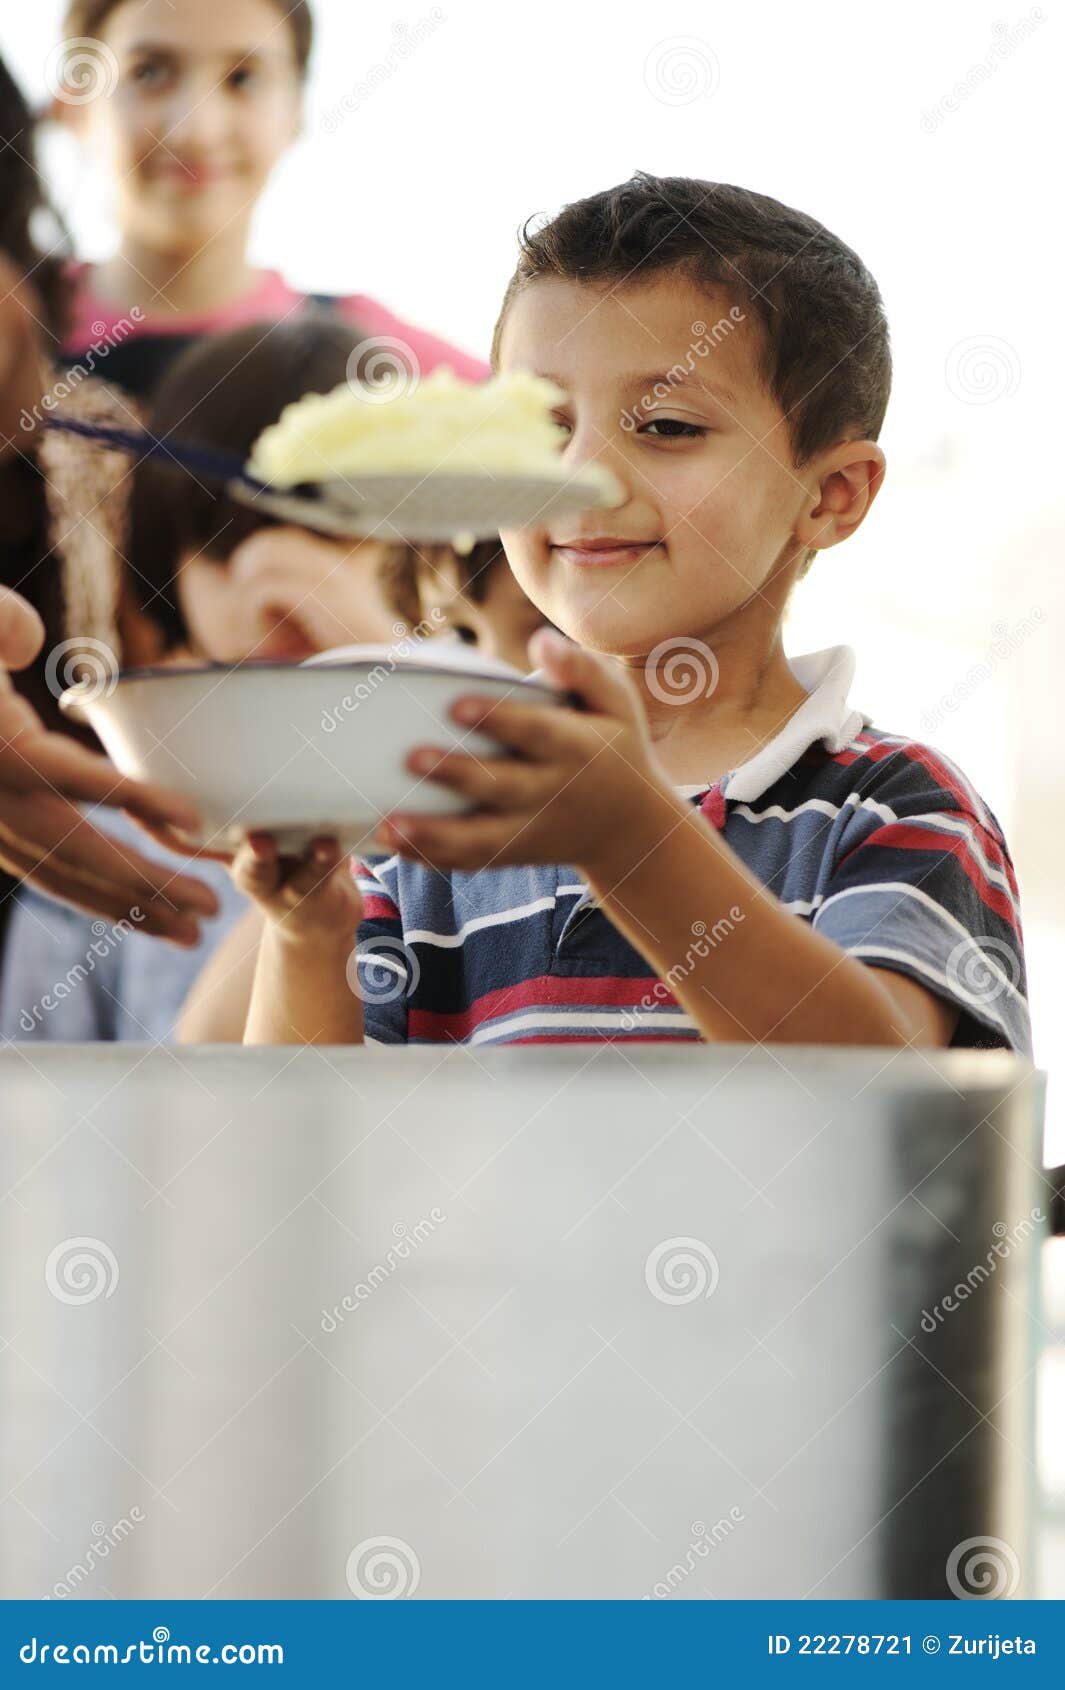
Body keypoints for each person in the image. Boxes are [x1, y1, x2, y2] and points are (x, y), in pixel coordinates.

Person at [187, 173, 1031, 1054]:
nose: (584, 475)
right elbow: (307, 1163)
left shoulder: (898, 808)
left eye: (664, 426)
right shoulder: (434, 825)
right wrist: (307, 935)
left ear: (829, 494)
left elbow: (887, 1108)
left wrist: (631, 840)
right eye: (542, 426)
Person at [0, 316, 414, 1042]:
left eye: (334, 534)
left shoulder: (475, 822)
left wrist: (388, 661)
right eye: (225, 545)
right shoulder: (100, 848)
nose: (274, 591)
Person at [53, 0, 487, 398]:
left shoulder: (395, 370)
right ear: (73, 107)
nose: (196, 129)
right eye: (148, 72)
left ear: (297, 111)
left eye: (243, 78)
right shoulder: (15, 331)